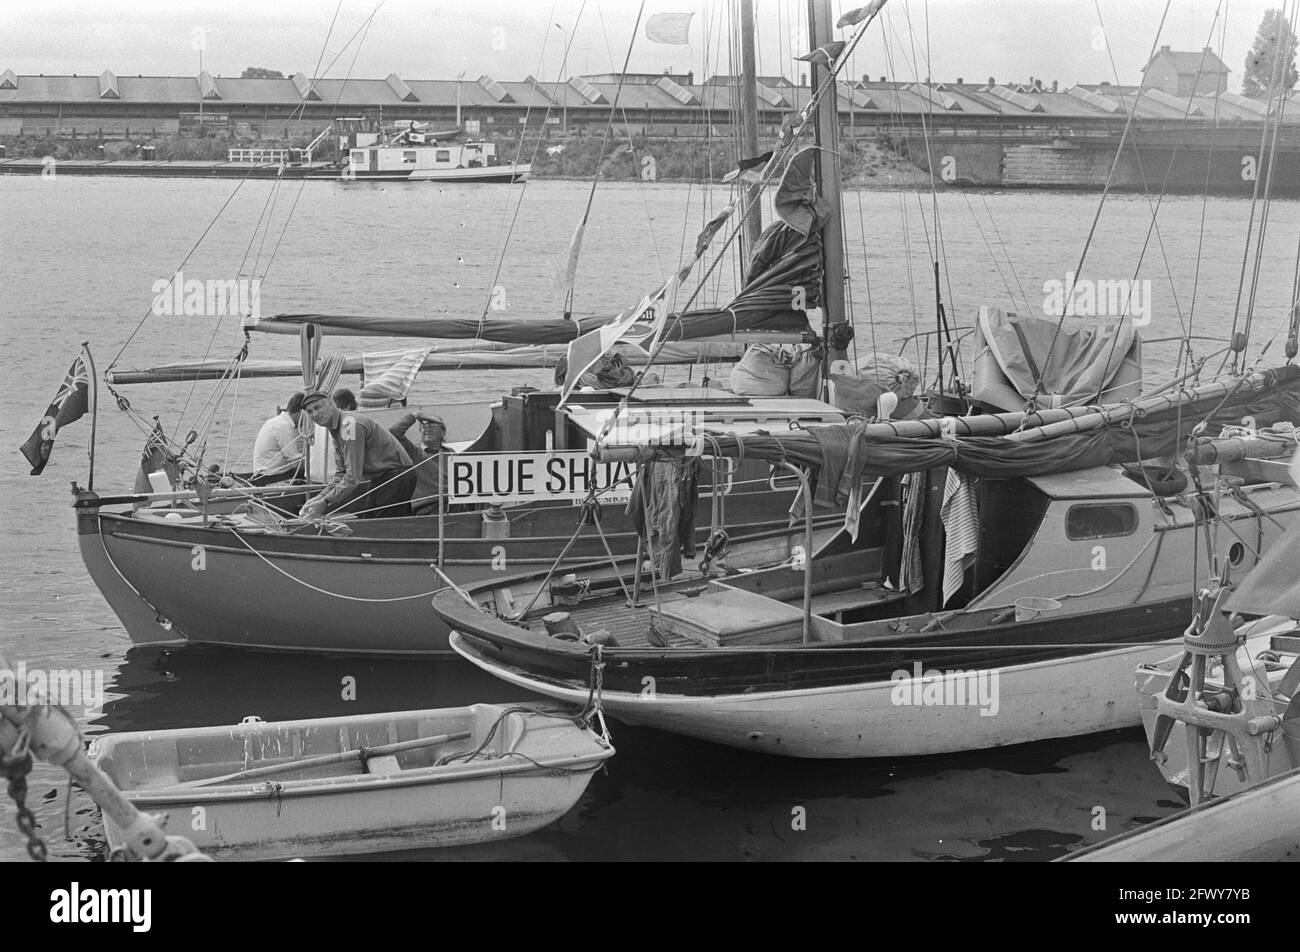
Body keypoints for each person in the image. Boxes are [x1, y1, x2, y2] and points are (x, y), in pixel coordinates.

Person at [299, 392, 415, 520]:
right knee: (371, 520)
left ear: (332, 404)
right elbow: (341, 473)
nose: (315, 414)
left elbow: (353, 476)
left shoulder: (349, 425)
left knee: (382, 526)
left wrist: (325, 503)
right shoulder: (337, 428)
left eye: (318, 407)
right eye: (309, 412)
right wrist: (319, 498)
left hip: (396, 476)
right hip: (383, 478)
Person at [388, 413, 448, 516]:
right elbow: (394, 432)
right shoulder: (414, 452)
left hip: (452, 504)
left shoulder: (452, 454)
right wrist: (415, 416)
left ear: (443, 433)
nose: (427, 429)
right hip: (428, 507)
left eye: (432, 425)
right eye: (424, 426)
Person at [251, 392, 307, 483]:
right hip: (271, 477)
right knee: (312, 473)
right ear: (302, 412)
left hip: (263, 473)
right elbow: (296, 463)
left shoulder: (277, 421)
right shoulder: (284, 426)